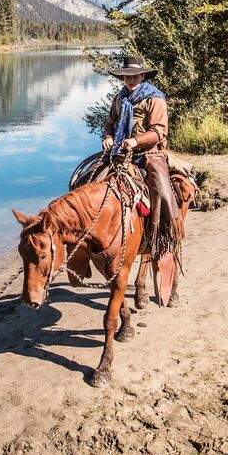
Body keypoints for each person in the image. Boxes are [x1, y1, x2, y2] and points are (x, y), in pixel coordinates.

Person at [101, 53, 179, 287]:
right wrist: (107, 137)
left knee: (162, 192)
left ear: (143, 75)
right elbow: (110, 124)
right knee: (87, 180)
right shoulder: (120, 98)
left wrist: (135, 141)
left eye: (134, 76)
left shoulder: (155, 99)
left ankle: (167, 231)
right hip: (120, 153)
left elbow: (159, 131)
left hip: (148, 154)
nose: (130, 80)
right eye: (126, 77)